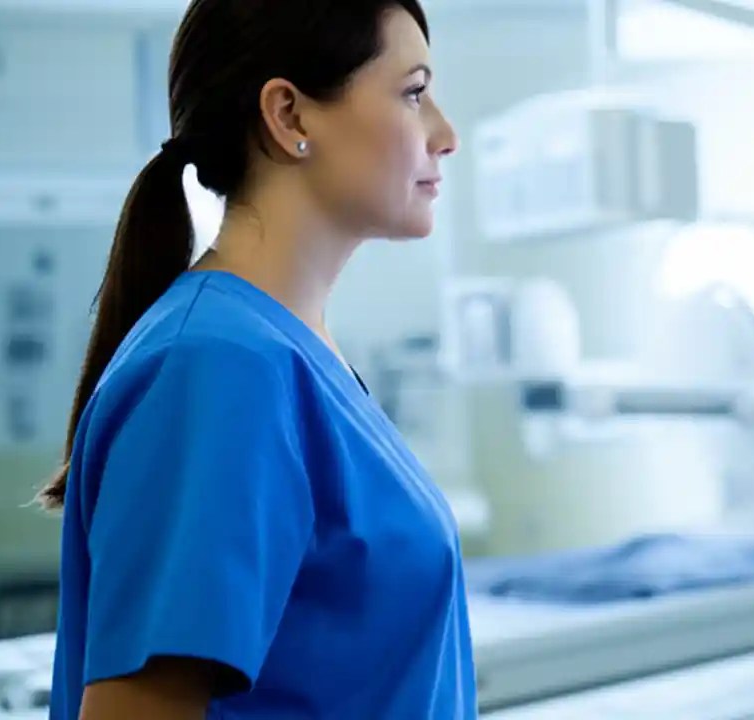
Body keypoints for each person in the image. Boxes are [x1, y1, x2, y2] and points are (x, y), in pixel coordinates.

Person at [41, 0, 469, 717]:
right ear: (291, 117)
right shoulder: (218, 368)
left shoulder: (283, 352)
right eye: (414, 93)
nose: (446, 135)